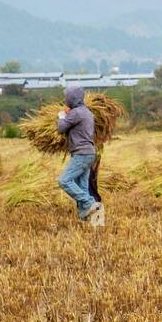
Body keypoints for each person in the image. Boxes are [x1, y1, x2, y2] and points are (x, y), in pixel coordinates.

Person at [56, 84, 102, 221]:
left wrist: (62, 115)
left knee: (64, 180)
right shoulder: (87, 112)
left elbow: (61, 128)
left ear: (72, 98)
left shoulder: (76, 113)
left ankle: (91, 204)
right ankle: (85, 218)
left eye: (67, 97)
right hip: (89, 153)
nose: (65, 99)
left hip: (81, 154)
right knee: (82, 185)